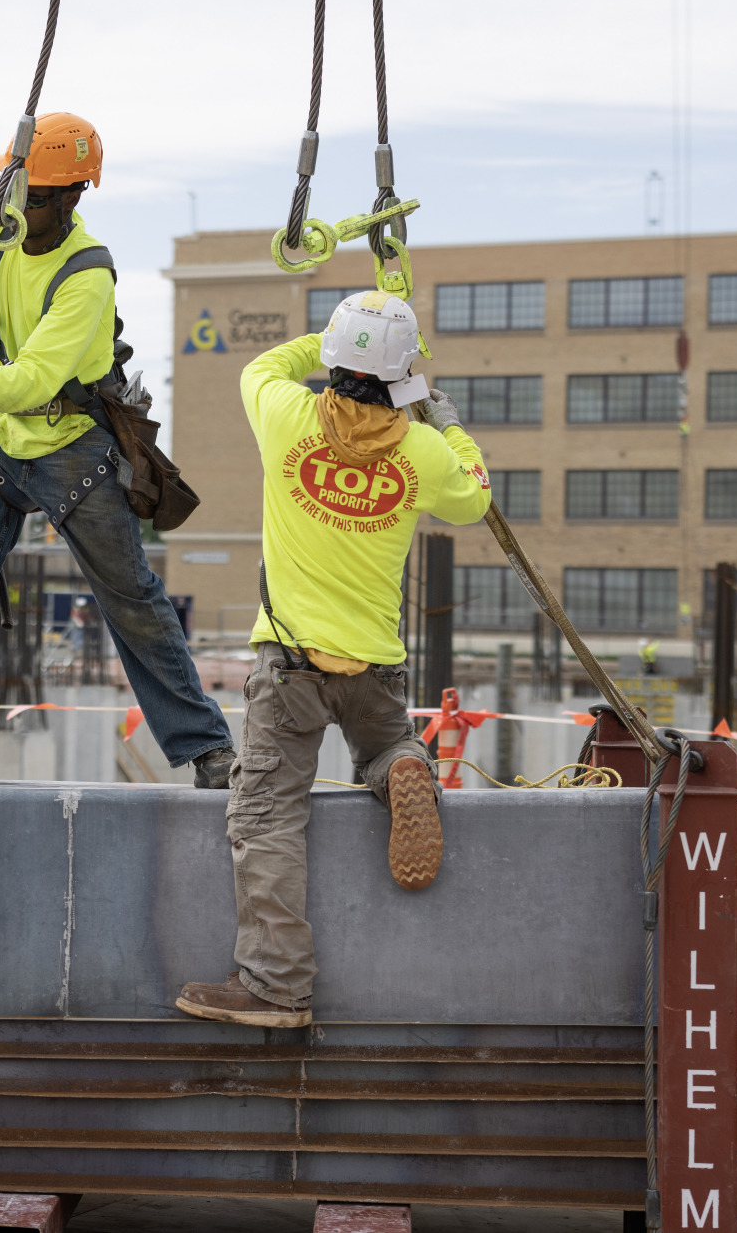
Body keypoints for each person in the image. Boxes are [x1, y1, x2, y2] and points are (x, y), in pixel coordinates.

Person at [0, 111, 236, 786]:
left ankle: (209, 749)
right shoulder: (3, 228)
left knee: (131, 600)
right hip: (2, 441)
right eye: (12, 191)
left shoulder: (87, 274)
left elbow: (31, 381)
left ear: (71, 197)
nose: (14, 208)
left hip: (73, 441)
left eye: (31, 197)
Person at [176, 292, 492, 1028]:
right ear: (403, 376)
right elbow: (476, 500)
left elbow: (263, 365)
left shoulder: (284, 413)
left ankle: (277, 985)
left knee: (266, 816)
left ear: (333, 359)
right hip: (375, 666)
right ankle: (402, 765)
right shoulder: (424, 452)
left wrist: (333, 334)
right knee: (383, 745)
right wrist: (448, 425)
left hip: (289, 667)